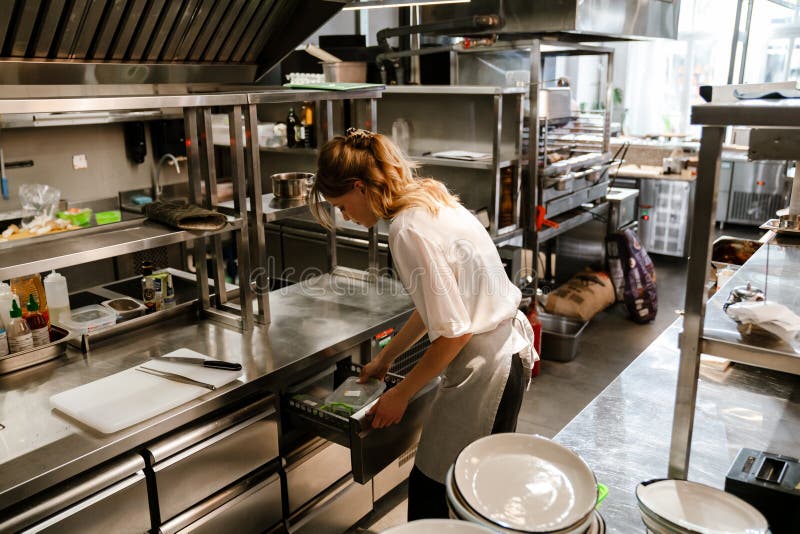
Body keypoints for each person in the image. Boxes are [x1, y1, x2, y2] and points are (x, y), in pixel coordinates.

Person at [309, 128, 535, 520]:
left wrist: (401, 394)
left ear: (361, 187)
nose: (345, 215)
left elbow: (455, 331)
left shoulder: (406, 229)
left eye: (342, 205)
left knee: (441, 492)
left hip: (484, 373)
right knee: (472, 490)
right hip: (506, 355)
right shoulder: (430, 196)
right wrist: (386, 359)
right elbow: (438, 306)